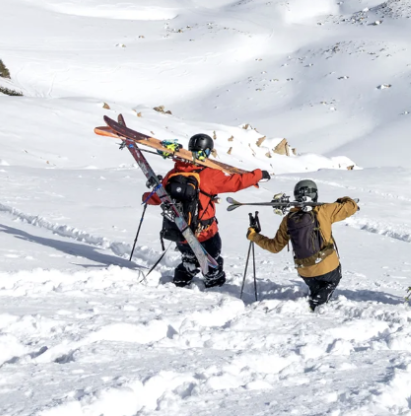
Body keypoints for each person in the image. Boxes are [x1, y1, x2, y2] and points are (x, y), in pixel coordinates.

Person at [144, 132, 267, 287]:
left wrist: (147, 196)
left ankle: (181, 279)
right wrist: (257, 175)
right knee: (213, 260)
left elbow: (160, 197)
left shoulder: (175, 172)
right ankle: (214, 285)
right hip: (206, 233)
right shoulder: (209, 174)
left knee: (189, 258)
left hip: (181, 232)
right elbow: (235, 183)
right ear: (208, 151)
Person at [247, 179, 357, 309]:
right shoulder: (324, 210)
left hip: (305, 271)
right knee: (333, 279)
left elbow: (275, 247)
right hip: (327, 268)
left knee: (315, 283)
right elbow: (352, 206)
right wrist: (341, 200)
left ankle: (316, 296)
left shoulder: (288, 219)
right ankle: (318, 302)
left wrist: (254, 236)